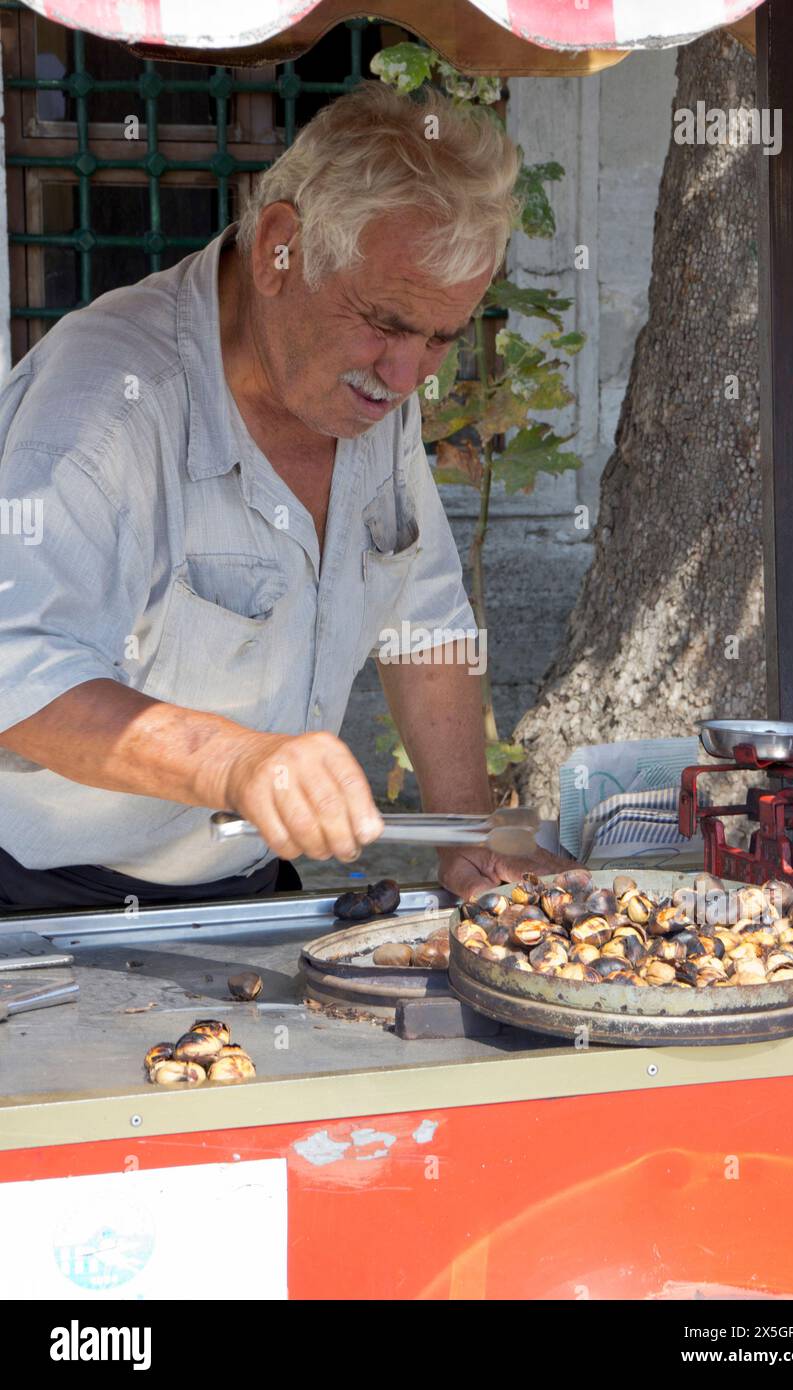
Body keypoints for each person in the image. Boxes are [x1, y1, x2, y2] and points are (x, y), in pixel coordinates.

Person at [0, 82, 565, 911]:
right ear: (279, 248)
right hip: (41, 905)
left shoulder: (371, 391)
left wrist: (466, 840)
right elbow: (18, 675)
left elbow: (425, 622)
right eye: (385, 322)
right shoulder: (105, 404)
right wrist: (235, 762)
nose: (408, 376)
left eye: (443, 336)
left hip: (244, 891)